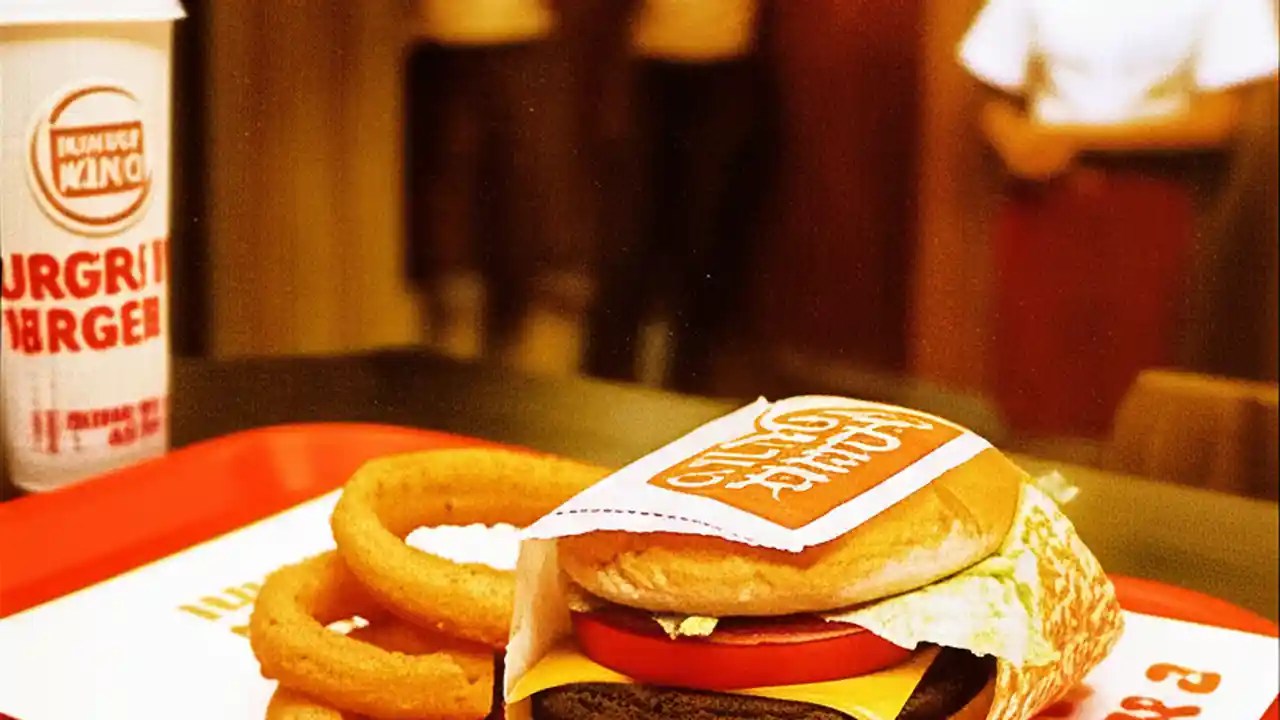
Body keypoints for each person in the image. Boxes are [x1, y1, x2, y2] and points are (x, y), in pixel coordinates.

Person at [958, 0, 1280, 438]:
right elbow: (990, 86)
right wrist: (1013, 139)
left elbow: (1218, 120)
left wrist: (1068, 136)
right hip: (1048, 191)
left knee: (1137, 369)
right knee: (1033, 363)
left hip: (1153, 192)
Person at [582, 0, 773, 393]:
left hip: (726, 70)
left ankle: (693, 394)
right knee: (628, 246)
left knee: (708, 244)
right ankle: (601, 392)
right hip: (650, 69)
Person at [404, 0, 592, 365]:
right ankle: (438, 384)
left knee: (517, 232)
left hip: (523, 43)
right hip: (441, 46)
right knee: (446, 260)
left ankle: (501, 387)